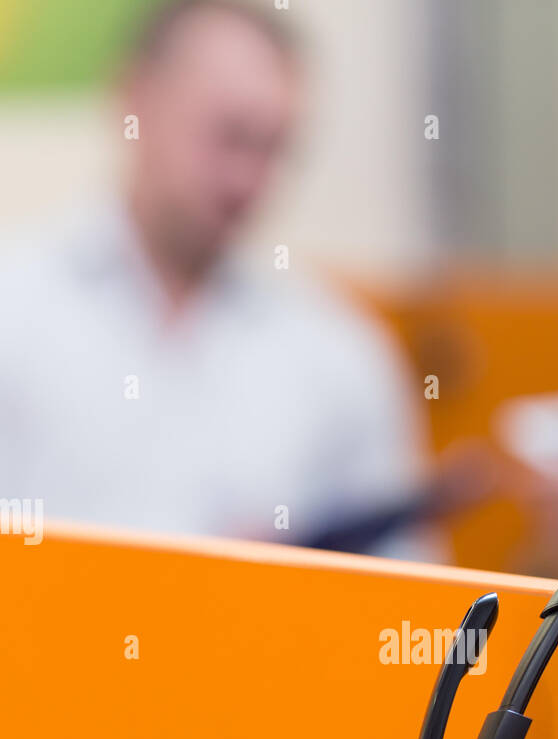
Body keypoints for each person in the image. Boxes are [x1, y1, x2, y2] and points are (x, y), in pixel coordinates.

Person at [0, 0, 438, 557]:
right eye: (229, 135)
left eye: (275, 148)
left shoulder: (339, 353)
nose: (248, 178)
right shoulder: (12, 311)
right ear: (135, 99)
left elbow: (407, 600)